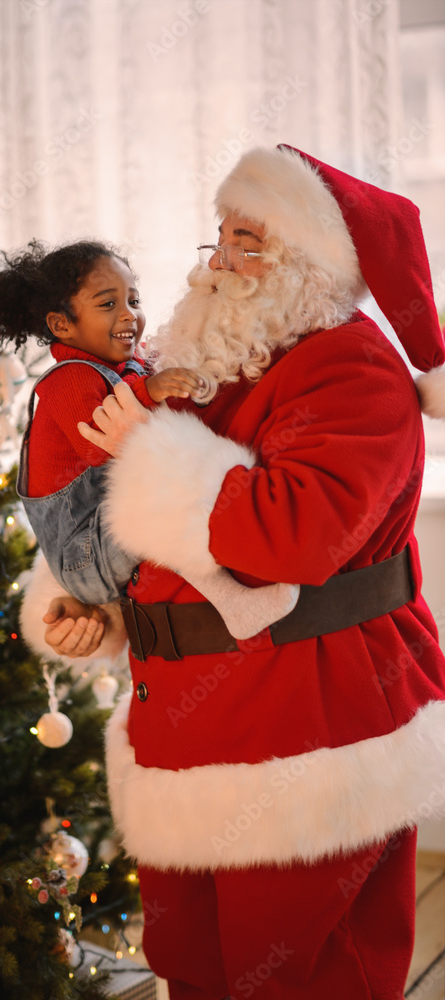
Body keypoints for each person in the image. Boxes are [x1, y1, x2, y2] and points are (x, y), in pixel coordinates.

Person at [35, 147, 445, 999]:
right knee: (194, 970)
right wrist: (98, 609)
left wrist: (152, 447)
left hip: (308, 734)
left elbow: (291, 535)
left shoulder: (352, 368)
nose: (217, 261)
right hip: (182, 732)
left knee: (305, 976)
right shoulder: (214, 365)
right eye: (218, 237)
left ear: (310, 261)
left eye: (246, 242)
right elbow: (154, 536)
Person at [0, 239, 298, 647]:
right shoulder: (67, 379)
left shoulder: (124, 364)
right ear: (61, 325)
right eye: (108, 304)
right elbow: (100, 442)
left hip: (99, 538)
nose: (129, 314)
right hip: (82, 556)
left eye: (134, 300)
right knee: (164, 505)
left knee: (170, 496)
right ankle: (233, 603)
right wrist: (151, 389)